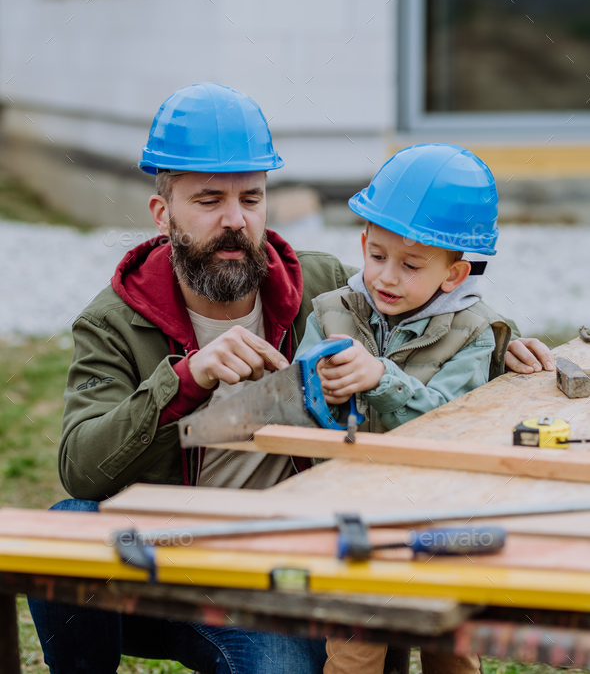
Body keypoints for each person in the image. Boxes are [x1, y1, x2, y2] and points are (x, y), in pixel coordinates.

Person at [28, 86, 553, 674]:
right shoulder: (113, 320)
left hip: (278, 574)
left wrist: (506, 349)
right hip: (162, 557)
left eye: (251, 197)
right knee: (66, 527)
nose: (235, 219)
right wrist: (185, 379)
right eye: (208, 199)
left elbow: (436, 311)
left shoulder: (326, 288)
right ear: (162, 214)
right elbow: (81, 467)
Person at [293, 143, 555, 674]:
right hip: (355, 514)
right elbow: (297, 401)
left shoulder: (474, 334)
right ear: (363, 242)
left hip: (442, 516)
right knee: (353, 649)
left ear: (454, 275)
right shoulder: (330, 311)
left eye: (411, 264)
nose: (387, 277)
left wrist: (382, 378)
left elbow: (450, 424)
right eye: (377, 255)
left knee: (449, 645)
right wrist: (320, 391)